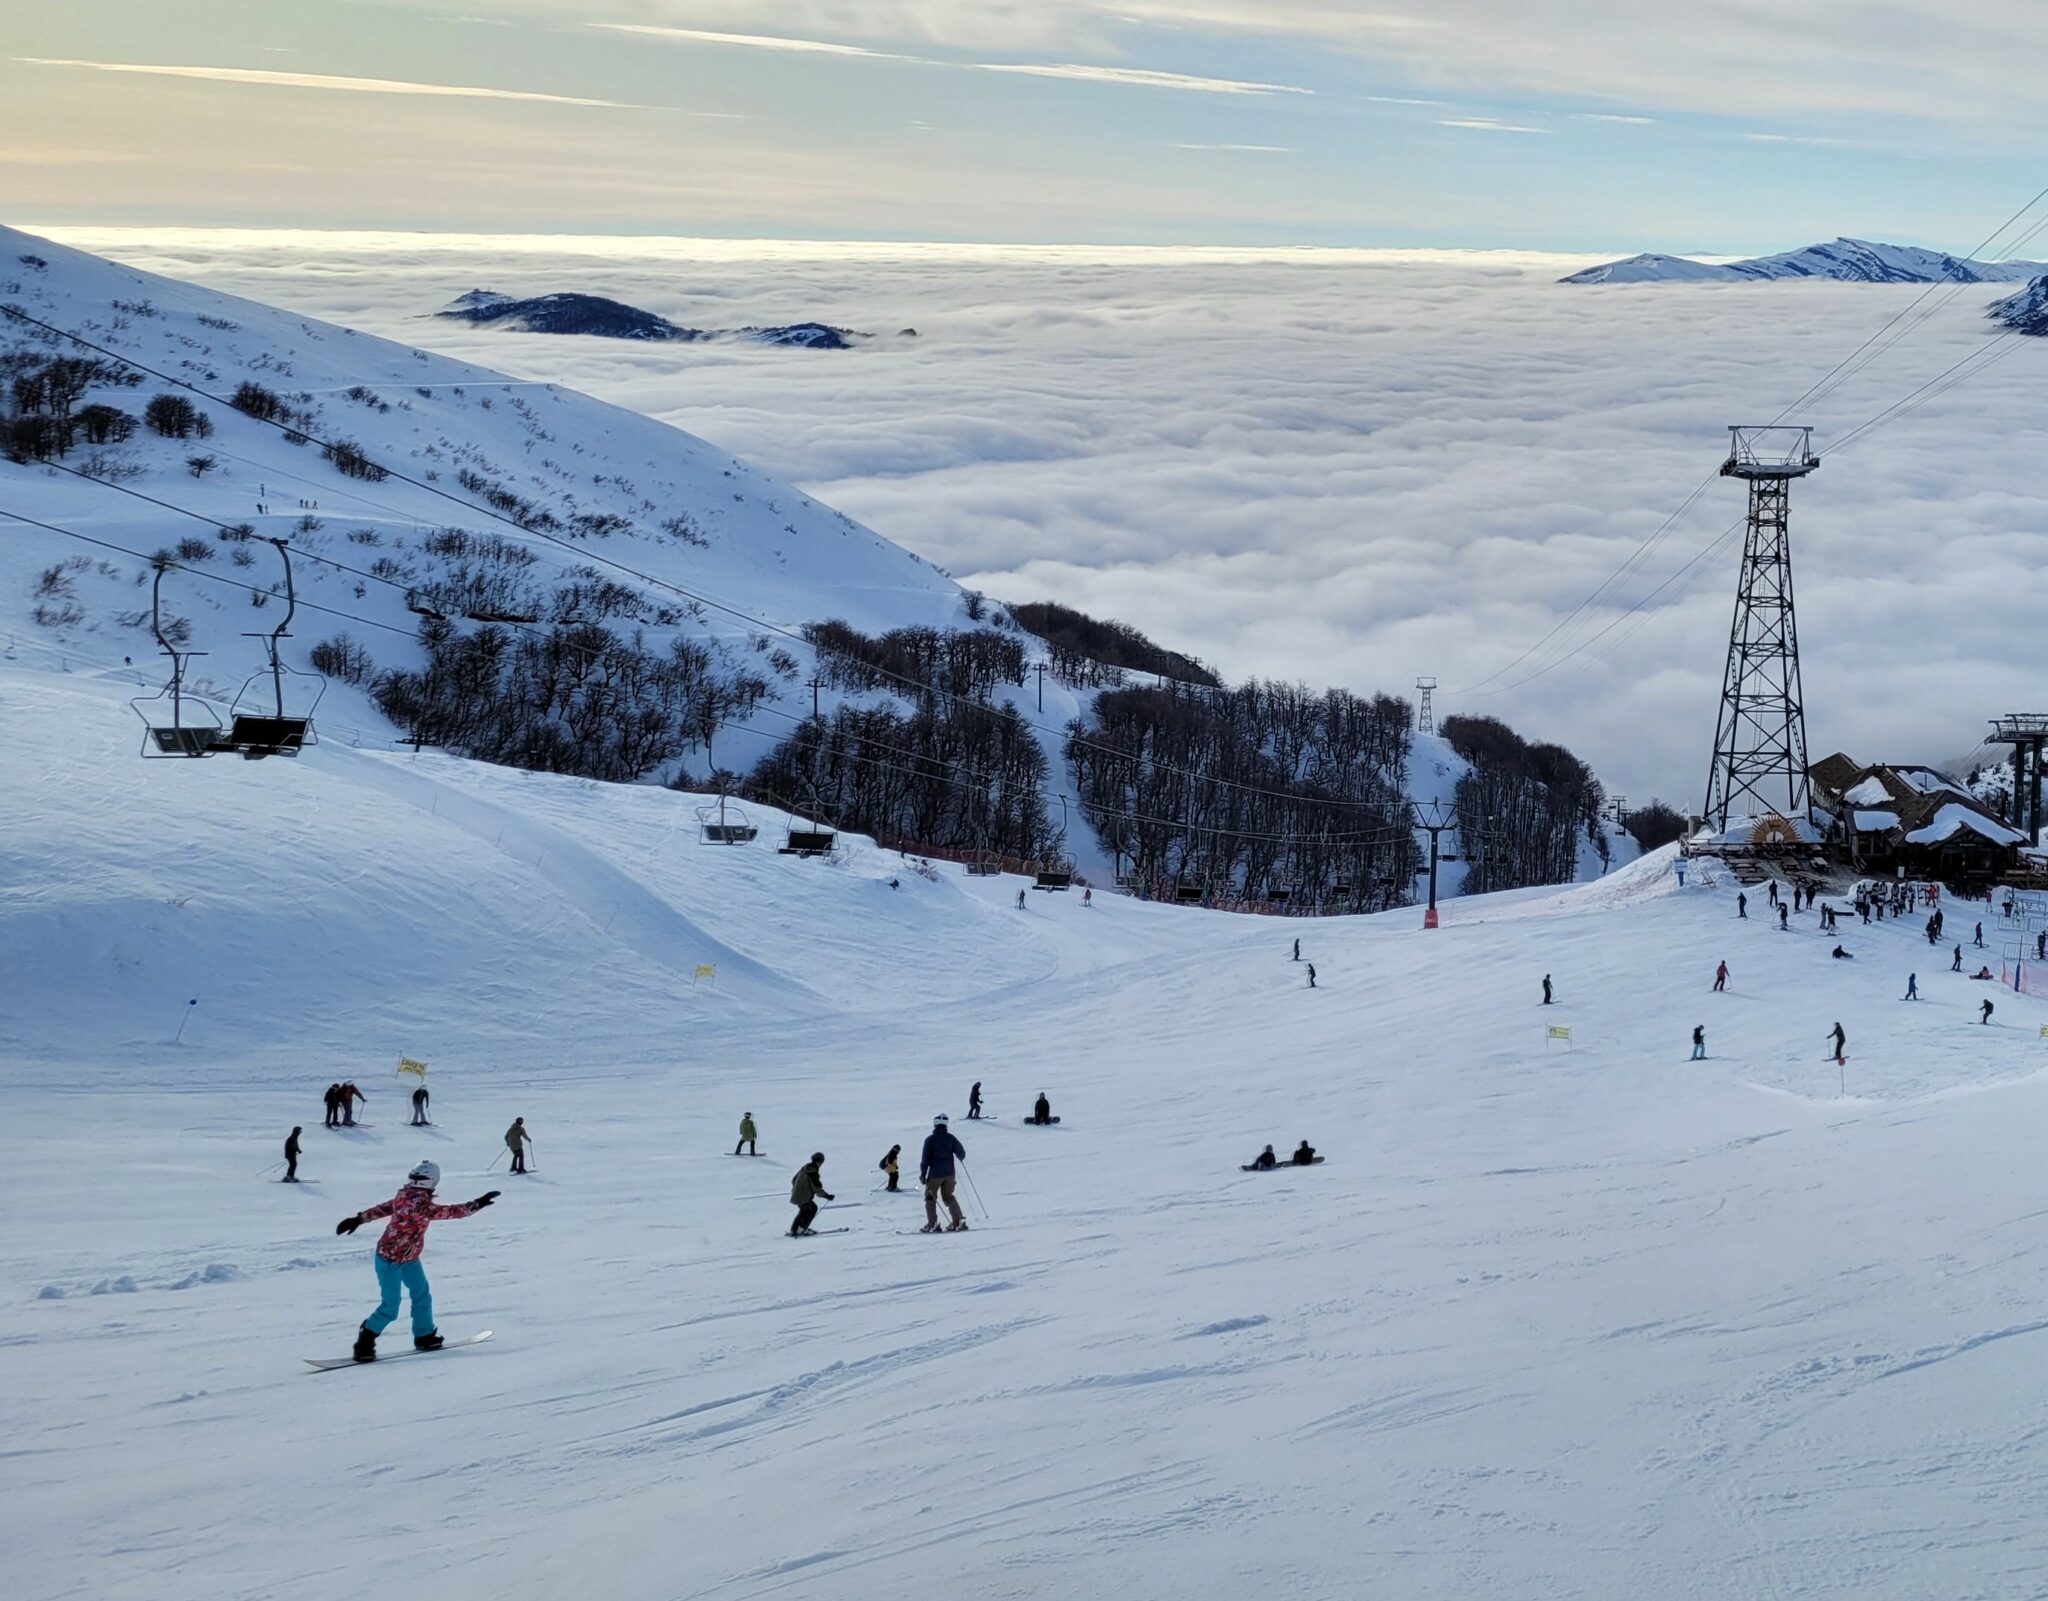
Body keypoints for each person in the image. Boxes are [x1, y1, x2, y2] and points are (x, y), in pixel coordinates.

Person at [336, 1160, 498, 1361]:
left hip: (409, 1258)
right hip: (389, 1260)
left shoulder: (404, 1196)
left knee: (421, 1294)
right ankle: (365, 1341)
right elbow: (451, 1212)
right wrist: (478, 1203)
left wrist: (360, 1219)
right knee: (390, 1307)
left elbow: (385, 1208)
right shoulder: (420, 1205)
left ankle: (424, 1335)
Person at [918, 1115, 967, 1233]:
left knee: (930, 1198)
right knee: (949, 1196)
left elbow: (925, 1159)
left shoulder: (930, 1140)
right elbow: (962, 1154)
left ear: (935, 1124)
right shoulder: (951, 1138)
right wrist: (958, 1156)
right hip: (950, 1174)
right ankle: (958, 1220)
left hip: (935, 1174)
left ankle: (932, 1223)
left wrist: (923, 1174)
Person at [789, 1153, 833, 1235]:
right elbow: (818, 1189)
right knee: (813, 1208)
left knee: (803, 1211)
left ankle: (794, 1230)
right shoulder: (813, 1173)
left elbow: (793, 1180)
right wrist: (827, 1196)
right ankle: (802, 1229)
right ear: (820, 1162)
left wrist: (797, 1189)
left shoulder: (804, 1168)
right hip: (803, 1197)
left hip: (796, 1196)